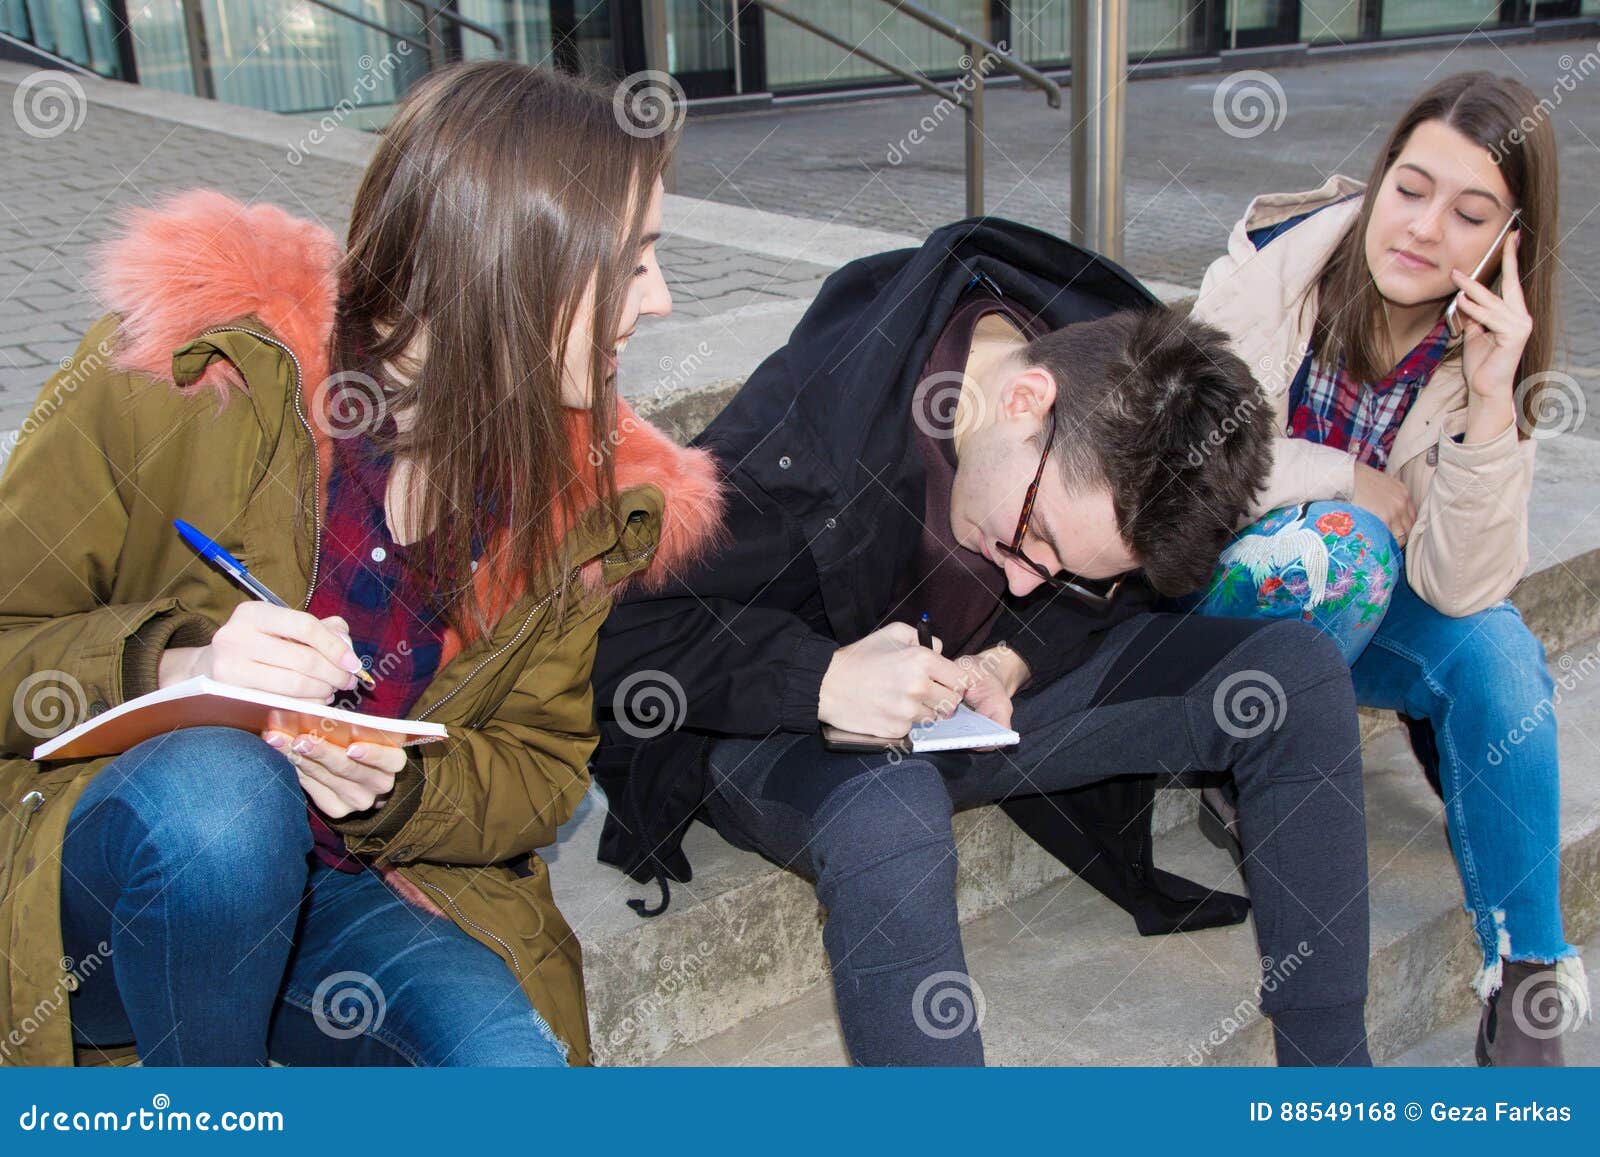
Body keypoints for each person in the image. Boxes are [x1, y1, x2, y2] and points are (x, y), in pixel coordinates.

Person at [0, 61, 724, 1067]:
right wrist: (177, 668)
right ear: (512, 264)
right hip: (116, 882)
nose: (662, 297)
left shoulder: (576, 497)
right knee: (224, 794)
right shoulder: (188, 380)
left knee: (512, 1074)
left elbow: (541, 767)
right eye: (634, 258)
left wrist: (397, 785)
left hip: (347, 894)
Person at [592, 217, 1376, 1066]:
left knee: (1295, 674)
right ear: (1023, 400)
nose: (1029, 584)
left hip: (981, 710)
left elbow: (1105, 587)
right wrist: (821, 678)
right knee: (892, 816)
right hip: (794, 726)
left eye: (1071, 571)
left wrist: (1010, 657)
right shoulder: (809, 431)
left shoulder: (1123, 363)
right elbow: (620, 633)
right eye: (1032, 539)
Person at [1188, 70, 1589, 1065]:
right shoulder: (1271, 269)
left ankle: (1525, 989)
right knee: (1351, 541)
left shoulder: (1481, 356)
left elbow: (1460, 585)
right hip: (1209, 607)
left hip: (1355, 621)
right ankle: (1238, 760)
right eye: (1409, 188)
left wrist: (1493, 405)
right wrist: (1345, 475)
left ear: (1509, 243)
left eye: (1469, 213)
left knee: (1495, 647)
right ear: (1380, 178)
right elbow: (1182, 460)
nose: (1420, 228)